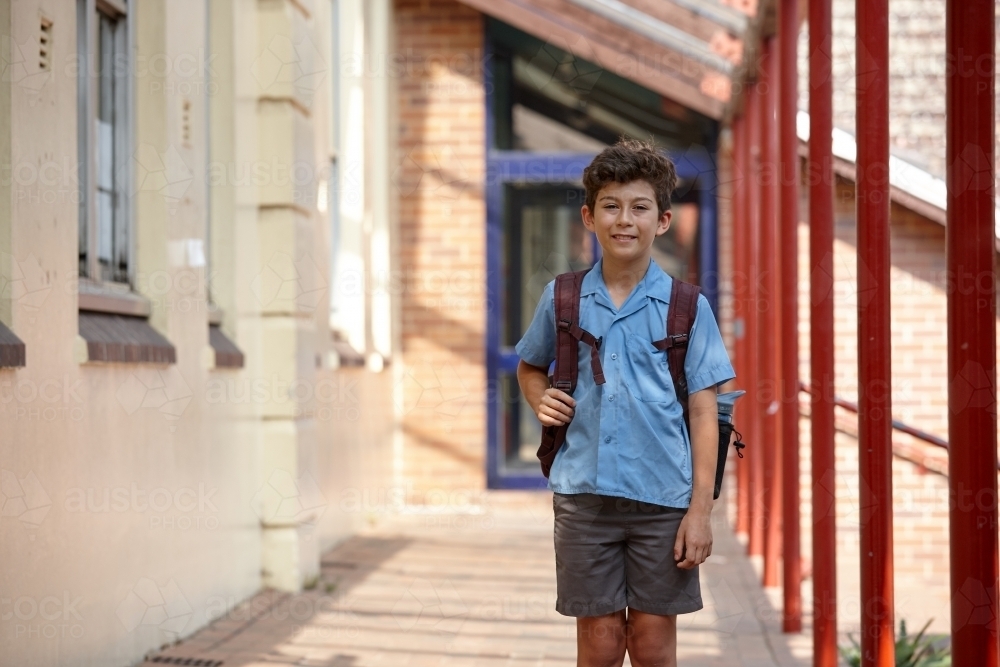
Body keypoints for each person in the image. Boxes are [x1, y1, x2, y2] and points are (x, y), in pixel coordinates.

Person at [515, 138, 735, 667]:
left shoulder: (688, 307)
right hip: (583, 499)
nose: (624, 220)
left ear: (662, 221)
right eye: (611, 206)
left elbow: (706, 411)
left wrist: (699, 512)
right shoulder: (562, 297)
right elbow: (529, 366)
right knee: (601, 639)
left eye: (639, 207)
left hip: (663, 500)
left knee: (655, 643)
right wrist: (540, 399)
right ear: (590, 217)